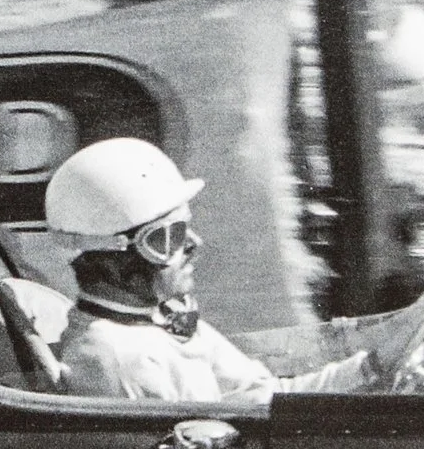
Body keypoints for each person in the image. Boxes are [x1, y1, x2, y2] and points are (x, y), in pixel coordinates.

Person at [41, 139, 367, 404]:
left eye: (186, 226)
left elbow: (264, 397)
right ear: (110, 258)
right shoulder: (118, 357)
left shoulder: (162, 320)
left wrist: (372, 367)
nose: (194, 243)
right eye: (169, 236)